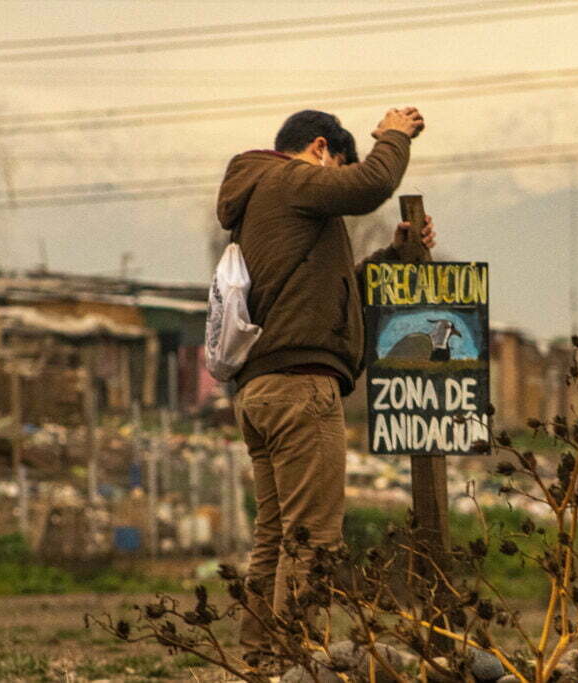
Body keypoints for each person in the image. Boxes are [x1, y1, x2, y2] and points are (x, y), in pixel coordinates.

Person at [216, 107, 434, 664]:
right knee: (313, 540)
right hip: (299, 393)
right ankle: (299, 663)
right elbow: (371, 186)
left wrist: (393, 252)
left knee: (277, 537)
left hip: (262, 390)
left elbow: (331, 296)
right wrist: (393, 135)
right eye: (334, 167)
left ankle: (264, 660)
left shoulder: (263, 200)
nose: (332, 184)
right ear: (318, 149)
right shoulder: (289, 179)